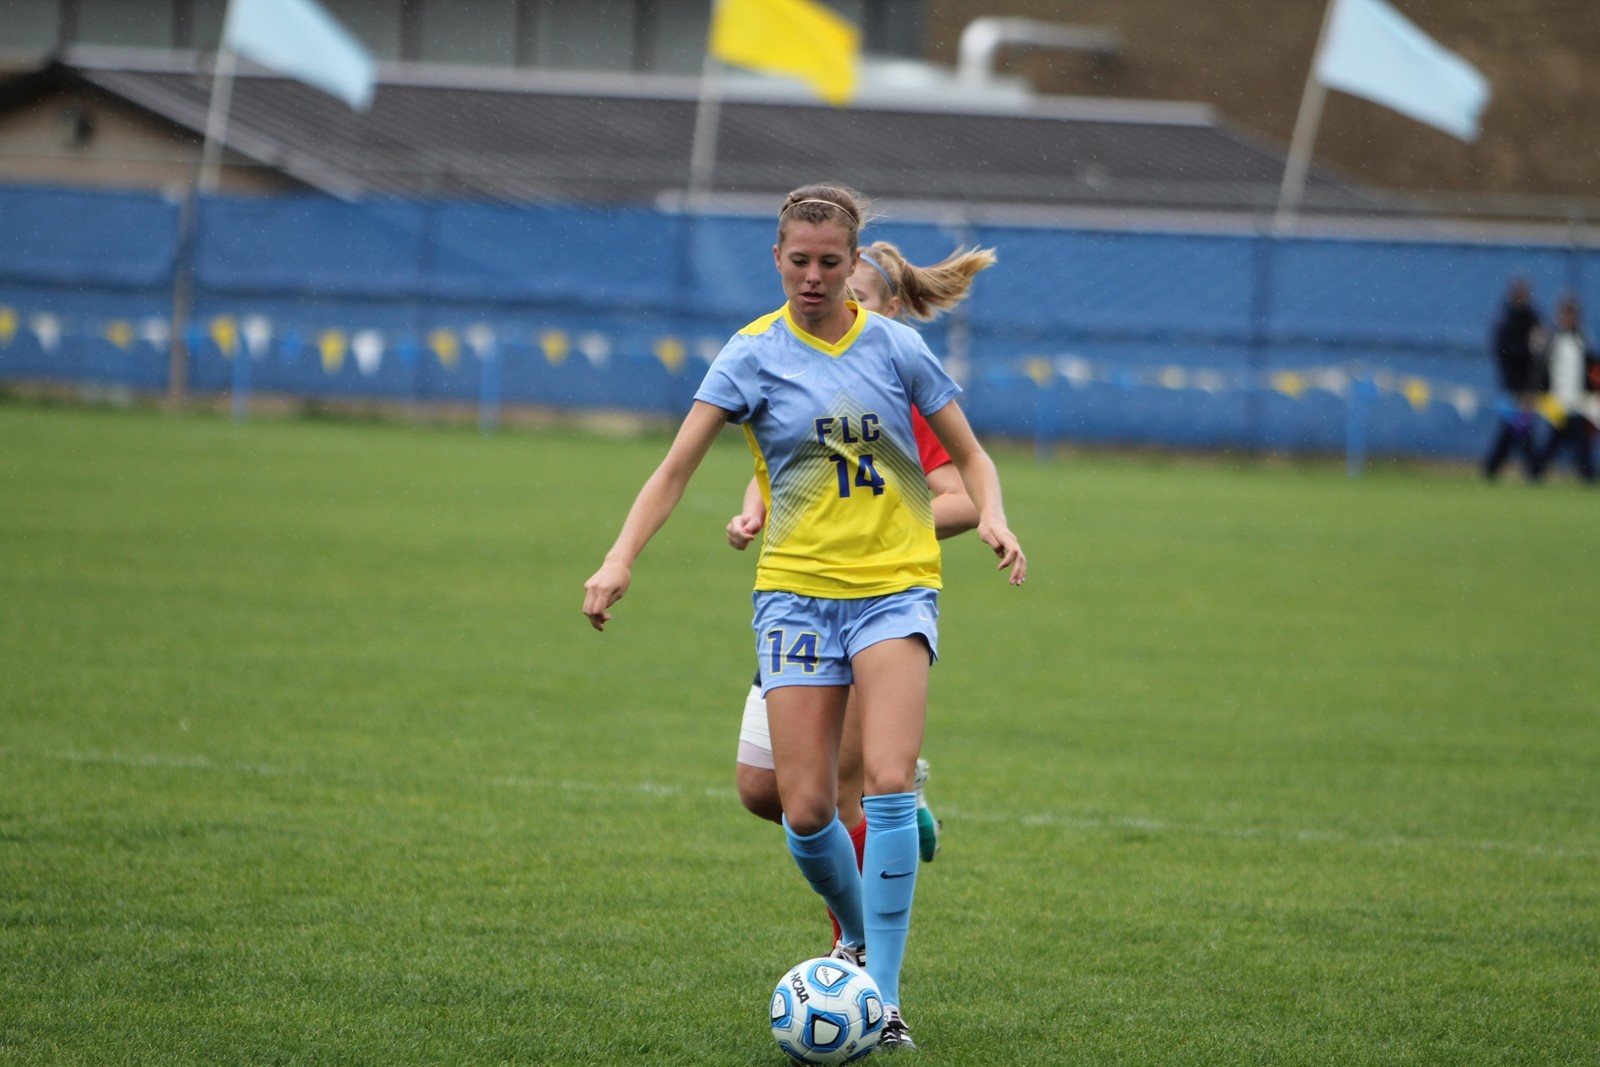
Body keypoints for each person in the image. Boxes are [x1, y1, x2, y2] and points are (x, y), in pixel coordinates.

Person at [583, 183, 1026, 1052]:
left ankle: (884, 994)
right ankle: (855, 936)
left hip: (894, 588)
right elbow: (673, 469)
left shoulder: (895, 348)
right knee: (804, 808)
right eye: (800, 260)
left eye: (831, 262)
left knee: (891, 781)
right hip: (794, 595)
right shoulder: (748, 356)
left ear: (853, 261)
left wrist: (996, 516)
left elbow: (971, 457)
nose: (815, 276)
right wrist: (619, 555)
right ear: (777, 258)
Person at [726, 239, 997, 942]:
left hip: (875, 597)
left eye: (858, 299)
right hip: (799, 592)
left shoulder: (903, 397)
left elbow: (963, 497)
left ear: (886, 311)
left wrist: (880, 522)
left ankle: (853, 957)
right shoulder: (793, 372)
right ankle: (907, 790)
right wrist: (756, 505)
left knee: (839, 798)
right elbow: (788, 459)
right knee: (764, 788)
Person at [1482, 277, 1546, 481]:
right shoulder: (1506, 320)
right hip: (1511, 384)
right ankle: (1531, 468)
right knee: (1516, 427)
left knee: (1516, 427)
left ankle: (1497, 466)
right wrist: (1527, 347)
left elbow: (1540, 355)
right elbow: (1506, 353)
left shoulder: (1533, 318)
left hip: (1528, 384)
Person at [1531, 295, 1597, 484]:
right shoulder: (1552, 339)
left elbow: (1590, 369)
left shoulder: (1583, 339)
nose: (1569, 318)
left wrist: (1590, 391)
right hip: (1556, 401)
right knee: (1557, 440)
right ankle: (1536, 471)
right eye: (1566, 314)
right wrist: (1540, 392)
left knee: (1577, 441)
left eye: (1572, 314)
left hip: (1577, 401)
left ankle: (1586, 475)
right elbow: (1541, 368)